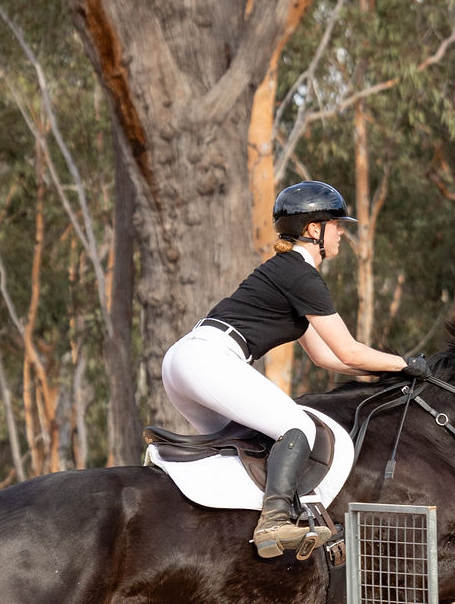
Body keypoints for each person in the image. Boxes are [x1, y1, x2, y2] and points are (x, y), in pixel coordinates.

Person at [161, 180, 429, 558]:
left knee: (251, 448)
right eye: (336, 225)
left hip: (187, 361)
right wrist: (405, 364)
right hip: (209, 359)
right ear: (313, 229)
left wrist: (385, 373)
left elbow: (326, 357)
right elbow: (349, 350)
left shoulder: (288, 272)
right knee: (299, 427)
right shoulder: (302, 275)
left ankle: (235, 532)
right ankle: (273, 523)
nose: (341, 232)